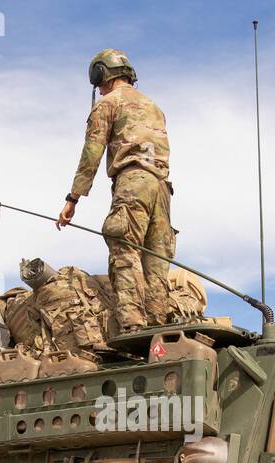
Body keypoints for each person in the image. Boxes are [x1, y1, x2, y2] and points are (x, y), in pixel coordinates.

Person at [56, 49, 173, 334]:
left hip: (132, 183)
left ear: (101, 74)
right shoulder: (154, 106)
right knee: (155, 256)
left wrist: (73, 198)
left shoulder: (107, 104)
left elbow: (91, 154)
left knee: (124, 247)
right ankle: (158, 324)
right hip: (162, 187)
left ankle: (133, 326)